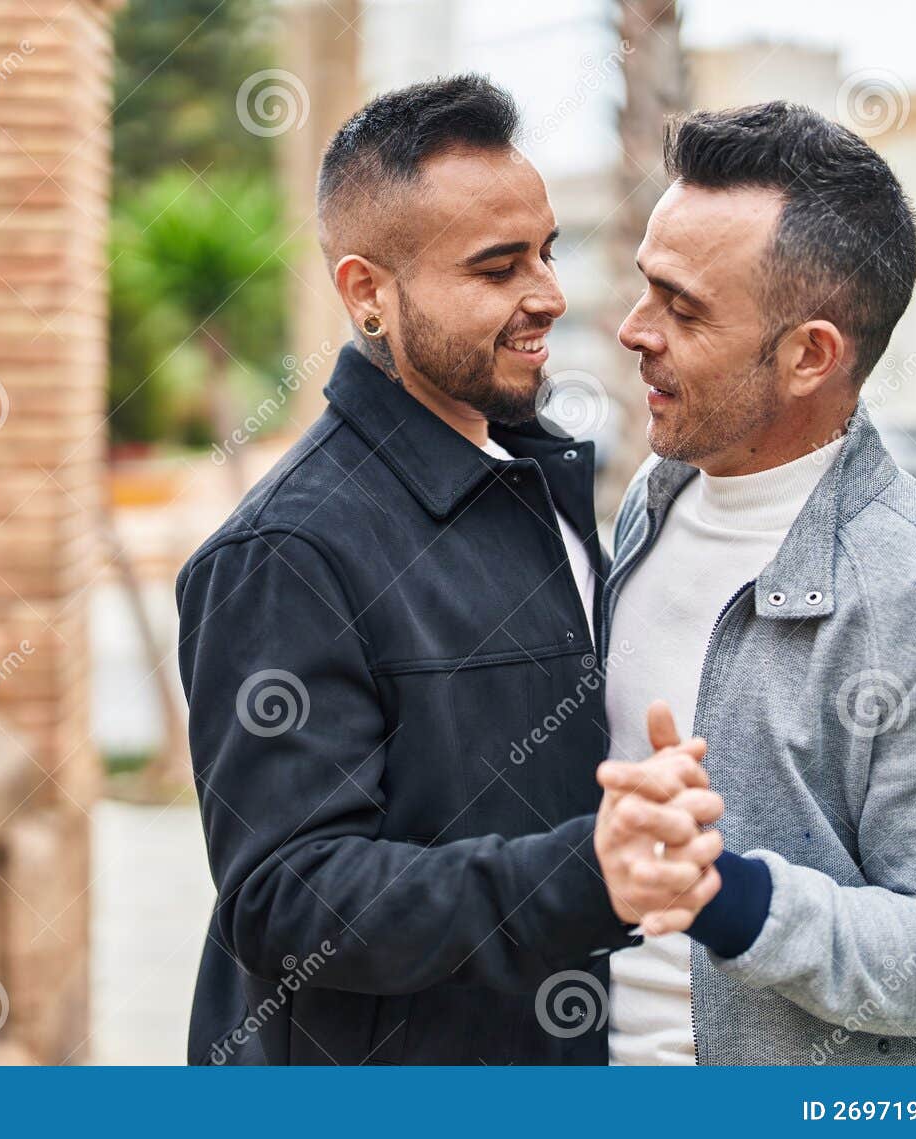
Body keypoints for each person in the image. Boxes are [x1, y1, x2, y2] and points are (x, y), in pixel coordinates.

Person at [177, 75, 729, 1066]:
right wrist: (581, 876)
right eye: (495, 268)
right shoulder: (285, 554)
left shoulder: (542, 480)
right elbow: (283, 899)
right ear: (366, 293)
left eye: (548, 253)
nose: (549, 296)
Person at [598, 102, 916, 1065]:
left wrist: (736, 902)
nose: (634, 331)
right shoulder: (655, 494)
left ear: (811, 356)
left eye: (684, 309)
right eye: (646, 289)